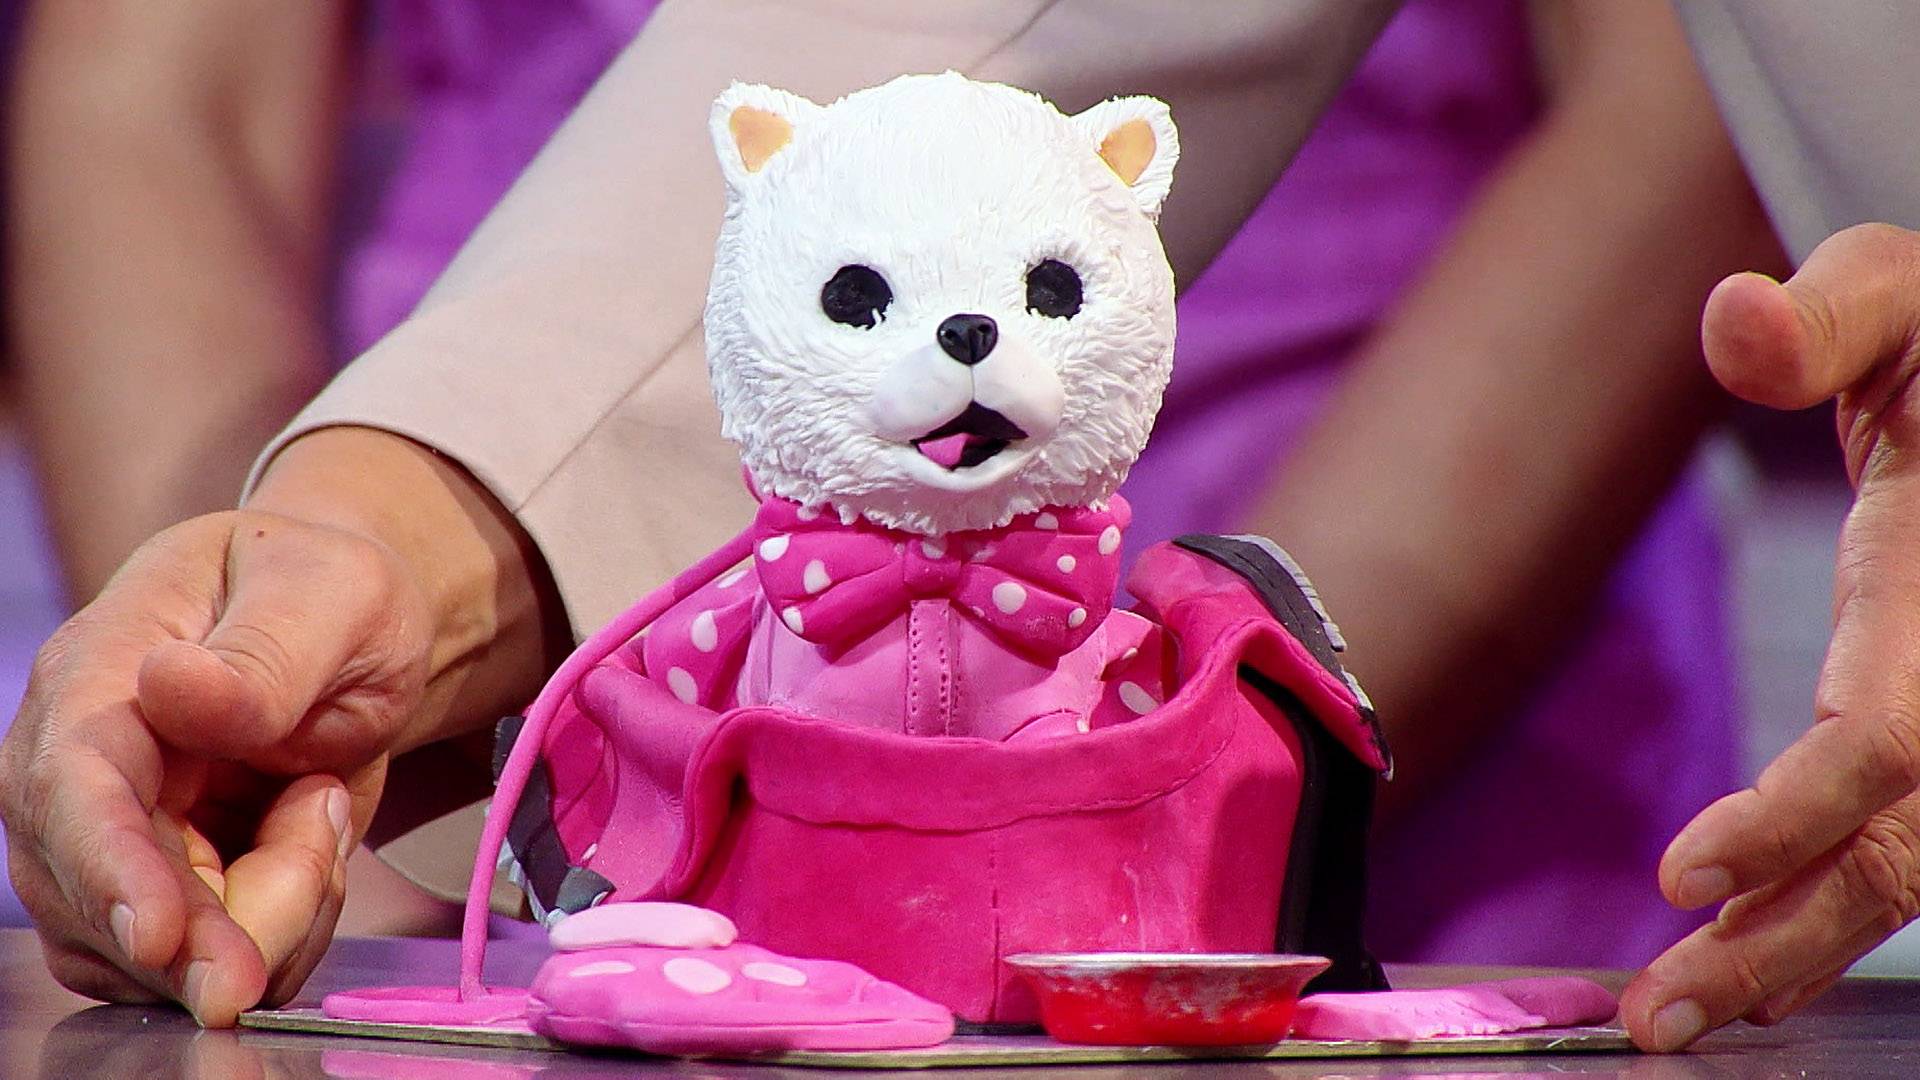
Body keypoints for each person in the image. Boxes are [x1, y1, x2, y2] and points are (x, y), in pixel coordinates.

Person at [0, 0, 1906, 1053]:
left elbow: (1674, 117)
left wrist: (1175, 795)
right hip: (616, 713)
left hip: (1410, 747)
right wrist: (376, 568)